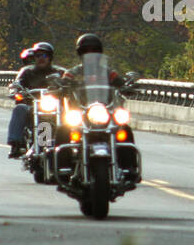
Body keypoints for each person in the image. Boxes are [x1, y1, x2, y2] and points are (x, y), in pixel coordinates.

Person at [57, 32, 140, 180]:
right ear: (80, 53)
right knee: (63, 129)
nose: (90, 54)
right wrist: (59, 87)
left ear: (99, 52)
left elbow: (121, 83)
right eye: (86, 51)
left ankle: (130, 168)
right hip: (81, 111)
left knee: (124, 129)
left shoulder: (108, 72)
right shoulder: (73, 73)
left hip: (105, 110)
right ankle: (62, 167)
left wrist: (128, 86)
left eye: (94, 50)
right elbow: (63, 83)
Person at [6, 41, 63, 158]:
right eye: (38, 56)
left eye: (44, 55)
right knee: (20, 108)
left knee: (74, 115)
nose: (41, 58)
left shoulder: (60, 72)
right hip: (33, 107)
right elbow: (17, 84)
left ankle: (75, 143)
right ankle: (16, 144)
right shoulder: (27, 72)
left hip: (56, 108)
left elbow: (72, 84)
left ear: (50, 57)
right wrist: (15, 91)